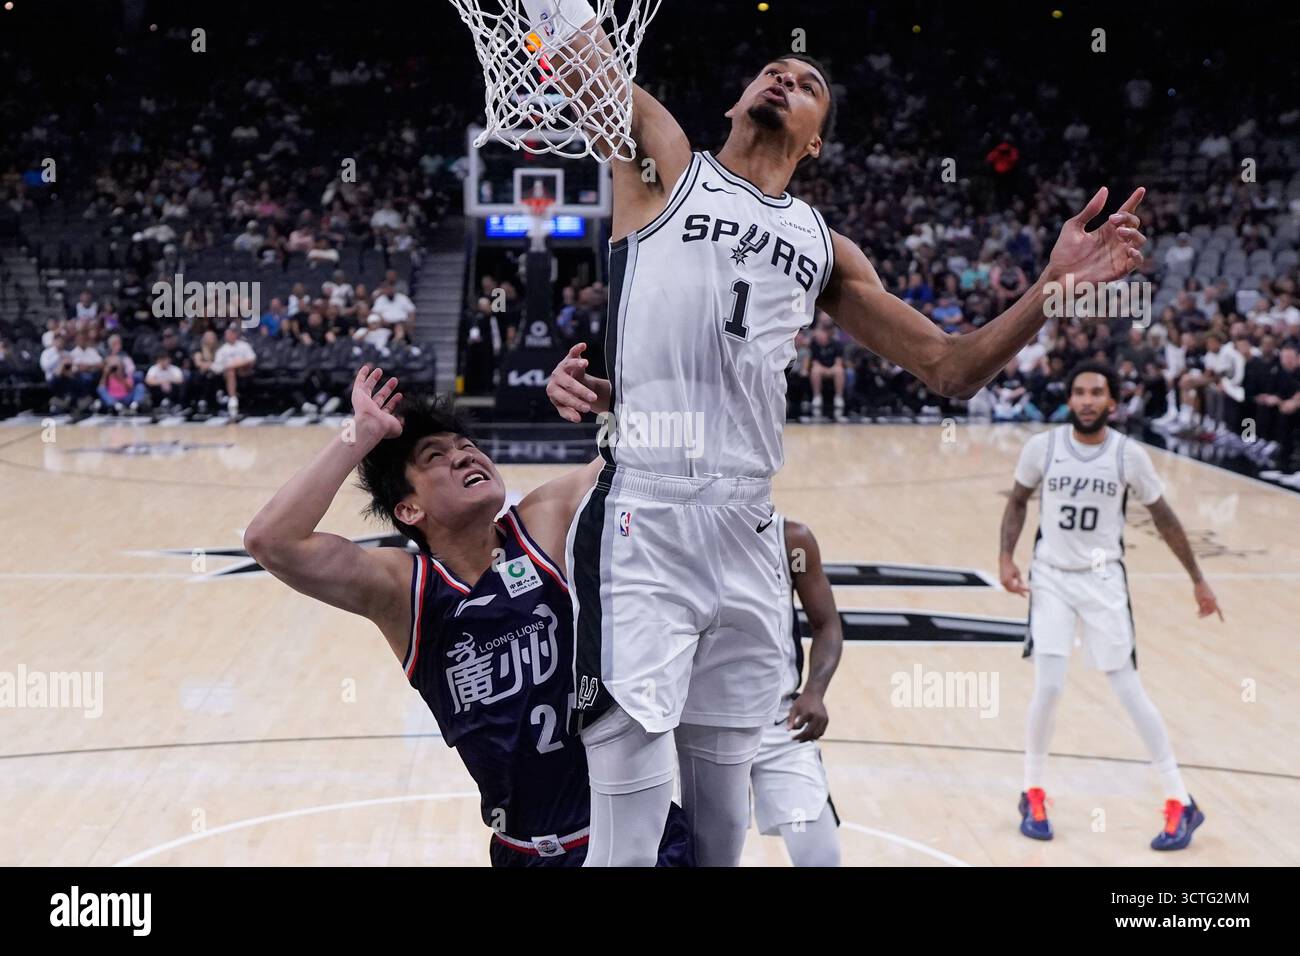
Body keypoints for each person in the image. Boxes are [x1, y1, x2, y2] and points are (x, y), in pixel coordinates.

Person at [532, 0, 1146, 867]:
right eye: (772, 71)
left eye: (808, 83)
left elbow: (948, 368)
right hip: (646, 519)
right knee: (628, 846)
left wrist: (1050, 289)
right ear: (734, 102)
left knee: (718, 841)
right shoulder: (663, 166)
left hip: (749, 531)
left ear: (815, 141)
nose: (785, 78)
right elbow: (582, 51)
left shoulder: (825, 248)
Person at [243, 367, 691, 867]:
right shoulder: (405, 590)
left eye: (466, 445)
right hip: (524, 852)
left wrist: (608, 400)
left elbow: (653, 441)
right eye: (435, 456)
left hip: (639, 834)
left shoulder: (543, 523)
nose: (463, 454)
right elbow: (270, 540)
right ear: (408, 510)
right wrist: (361, 432)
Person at [998, 361, 1223, 851]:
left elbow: (1164, 519)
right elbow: (1017, 501)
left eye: (1096, 392)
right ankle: (1032, 792)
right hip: (1052, 577)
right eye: (1079, 392)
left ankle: (1180, 799)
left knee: (1127, 690)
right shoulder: (1043, 448)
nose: (1086, 400)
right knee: (1049, 685)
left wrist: (1198, 580)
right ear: (1069, 399)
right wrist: (1006, 558)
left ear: (1112, 403)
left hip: (1103, 580)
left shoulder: (1128, 455)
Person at [749, 515, 843, 866]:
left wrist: (815, 691)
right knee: (703, 855)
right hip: (701, 728)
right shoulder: (685, 531)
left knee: (821, 859)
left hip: (780, 724)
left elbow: (826, 622)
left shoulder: (792, 540)